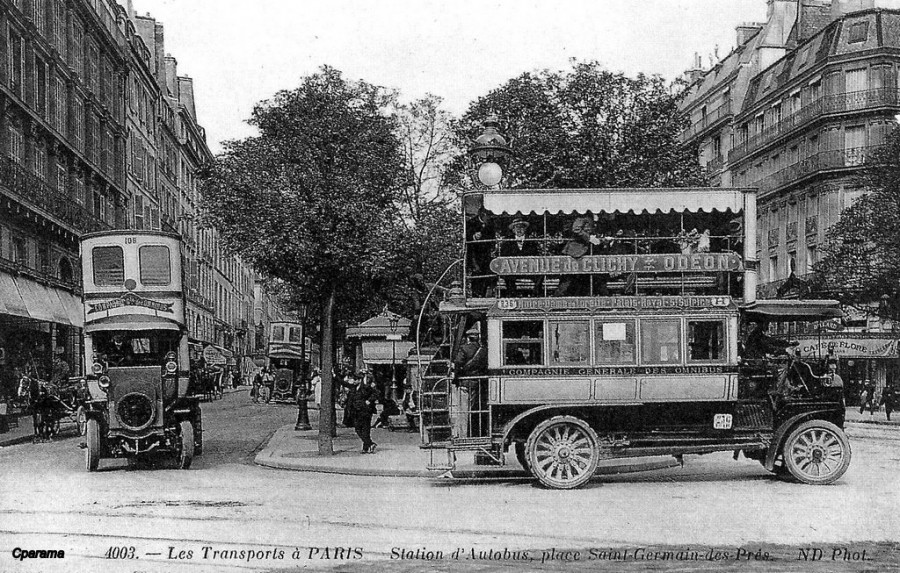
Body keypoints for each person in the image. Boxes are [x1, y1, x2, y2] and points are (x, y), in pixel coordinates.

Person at [556, 215, 605, 297]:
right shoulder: (583, 216)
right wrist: (589, 238)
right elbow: (576, 229)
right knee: (568, 279)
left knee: (583, 279)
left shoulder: (592, 217)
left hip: (584, 252)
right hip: (575, 252)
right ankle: (556, 300)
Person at [498, 218, 542, 297]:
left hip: (527, 271)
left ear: (525, 229)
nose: (519, 230)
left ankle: (535, 296)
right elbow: (503, 257)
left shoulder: (531, 242)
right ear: (513, 230)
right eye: (516, 227)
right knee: (508, 277)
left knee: (540, 276)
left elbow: (536, 257)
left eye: (521, 227)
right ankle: (513, 297)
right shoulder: (507, 242)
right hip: (513, 271)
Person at [342, 371, 379, 453]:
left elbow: (376, 393)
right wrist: (334, 376)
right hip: (356, 412)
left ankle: (366, 447)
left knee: (365, 429)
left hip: (365, 411)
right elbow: (343, 383)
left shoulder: (366, 387)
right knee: (358, 429)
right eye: (353, 379)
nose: (354, 381)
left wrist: (369, 400)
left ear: (359, 380)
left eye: (355, 380)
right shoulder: (352, 388)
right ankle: (370, 444)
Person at [466, 210, 497, 298]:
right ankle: (475, 295)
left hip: (486, 253)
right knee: (476, 273)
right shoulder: (471, 222)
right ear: (483, 215)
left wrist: (492, 247)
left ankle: (483, 294)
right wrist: (474, 236)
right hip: (474, 253)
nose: (490, 218)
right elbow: (467, 237)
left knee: (487, 273)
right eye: (488, 216)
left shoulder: (491, 224)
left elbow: (492, 238)